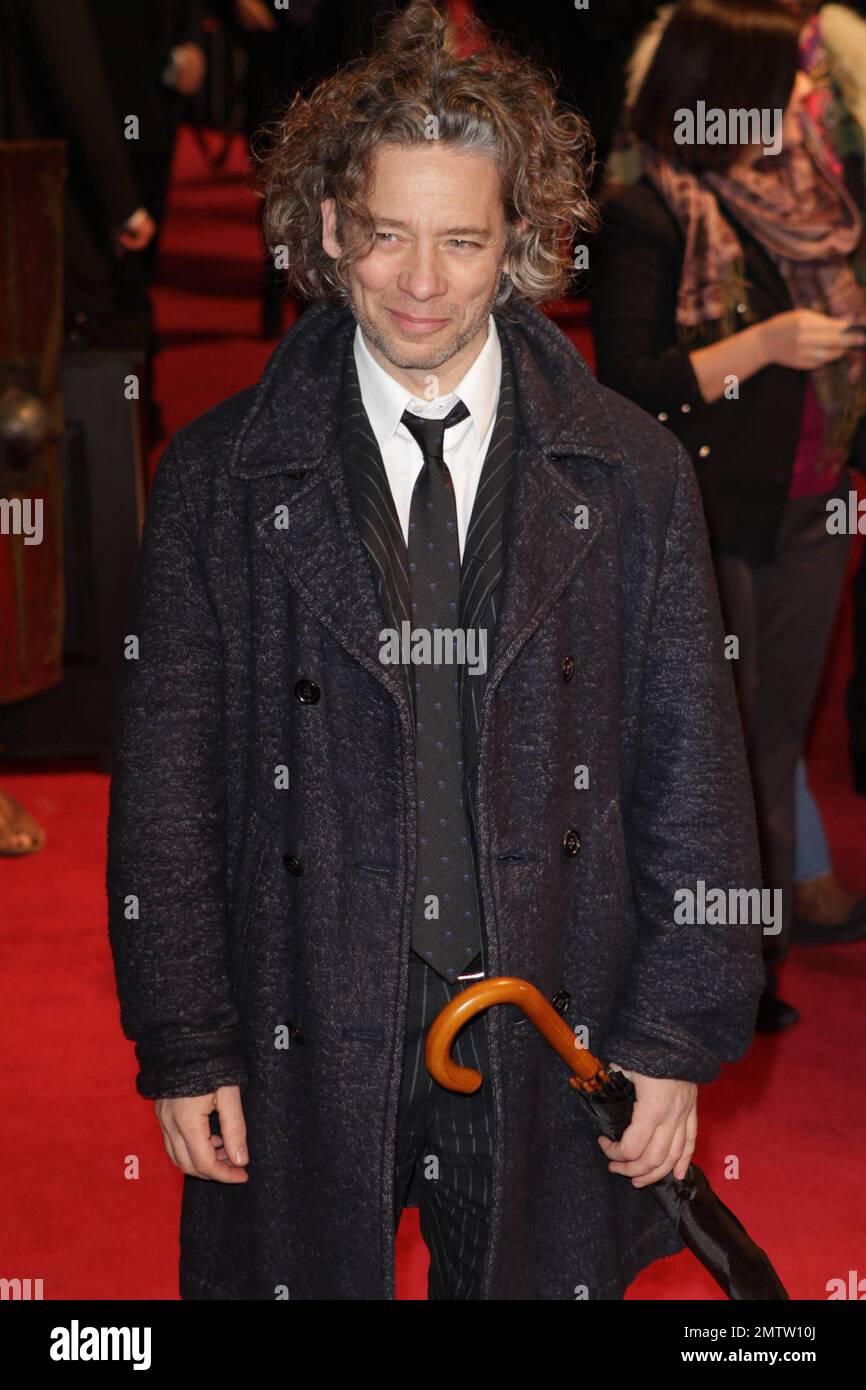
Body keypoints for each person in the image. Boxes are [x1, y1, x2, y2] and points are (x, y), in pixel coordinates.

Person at [106, 0, 765, 1301]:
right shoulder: (219, 478)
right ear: (328, 229)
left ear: (519, 239)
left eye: (462, 240)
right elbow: (170, 791)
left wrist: (678, 1031)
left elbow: (689, 764)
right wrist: (186, 1040)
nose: (420, 283)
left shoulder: (628, 473)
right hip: (307, 1001)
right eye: (386, 236)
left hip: (544, 1014)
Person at [590, 0, 866, 1032]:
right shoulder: (644, 211)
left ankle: (753, 957)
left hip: (811, 502)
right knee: (712, 754)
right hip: (709, 517)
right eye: (774, 86)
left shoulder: (792, 194)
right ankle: (718, 970)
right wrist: (766, 344)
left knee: (773, 745)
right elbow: (625, 382)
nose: (797, 100)